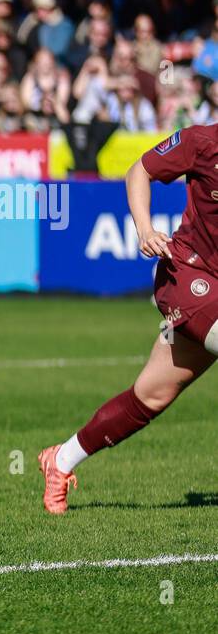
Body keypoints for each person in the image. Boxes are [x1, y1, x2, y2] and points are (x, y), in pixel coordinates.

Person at [38, 124, 218, 513]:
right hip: (187, 275)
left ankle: (61, 460)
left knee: (151, 395)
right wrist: (144, 228)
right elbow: (140, 170)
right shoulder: (202, 142)